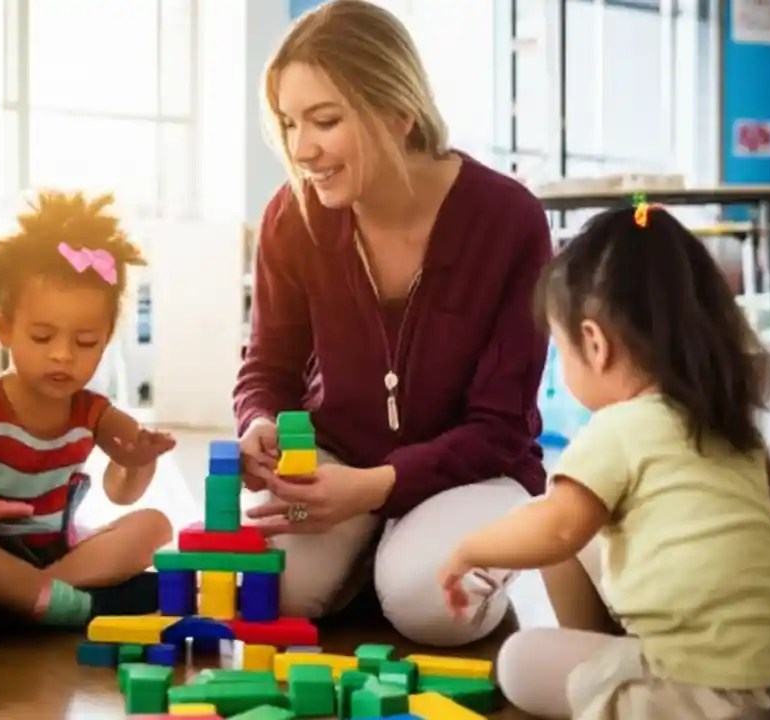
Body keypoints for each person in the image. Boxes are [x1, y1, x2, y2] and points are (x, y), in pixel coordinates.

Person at [439, 203, 770, 719]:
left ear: (594, 344)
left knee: (519, 661)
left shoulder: (618, 428)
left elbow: (557, 529)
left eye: (560, 350)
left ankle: (616, 683)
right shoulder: (729, 425)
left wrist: (469, 549)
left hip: (708, 695)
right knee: (581, 529)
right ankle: (617, 663)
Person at [234, 0, 553, 647]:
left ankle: (402, 555)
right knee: (270, 590)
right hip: (336, 463)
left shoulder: (509, 220)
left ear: (398, 114)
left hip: (474, 472)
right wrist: (259, 421)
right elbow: (267, 368)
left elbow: (500, 426)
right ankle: (376, 550)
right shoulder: (290, 218)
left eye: (324, 121)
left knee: (429, 605)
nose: (300, 149)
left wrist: (379, 488)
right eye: (290, 123)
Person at [0, 190, 174, 641]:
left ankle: (19, 608)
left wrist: (139, 462)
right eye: (42, 336)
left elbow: (122, 493)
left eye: (85, 341)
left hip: (52, 556)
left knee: (155, 524)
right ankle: (80, 607)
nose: (62, 356)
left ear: (107, 337)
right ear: (5, 328)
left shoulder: (95, 412)